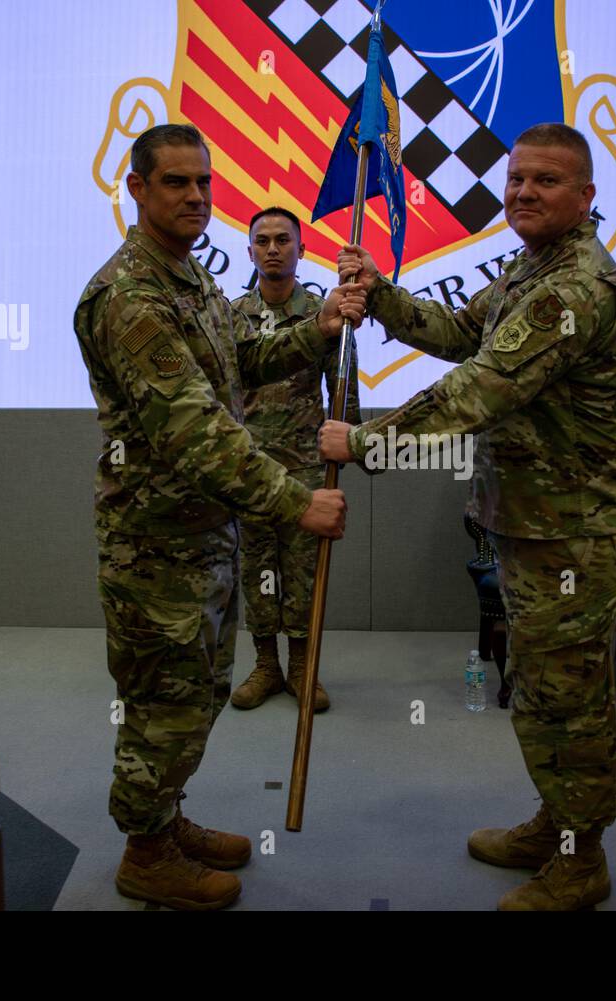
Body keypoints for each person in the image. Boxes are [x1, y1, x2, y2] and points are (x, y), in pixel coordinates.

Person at [320, 123, 616, 911]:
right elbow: (464, 333)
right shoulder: (531, 271)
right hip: (533, 525)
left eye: (545, 181)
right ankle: (555, 822)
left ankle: (582, 857)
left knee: (568, 698)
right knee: (540, 689)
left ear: (587, 196)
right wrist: (386, 295)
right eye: (516, 180)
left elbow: (476, 390)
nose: (524, 193)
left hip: (575, 533)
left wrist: (363, 440)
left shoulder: (575, 290)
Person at [73, 123, 364, 910]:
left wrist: (317, 330)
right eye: (176, 183)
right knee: (164, 700)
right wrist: (298, 500)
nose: (196, 196)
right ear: (136, 189)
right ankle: (144, 850)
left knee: (199, 690)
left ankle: (166, 819)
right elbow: (196, 432)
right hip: (156, 542)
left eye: (203, 182)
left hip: (204, 533)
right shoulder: (131, 297)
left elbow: (240, 365)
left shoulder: (191, 280)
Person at [229, 208, 364, 713]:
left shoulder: (323, 313)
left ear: (301, 250)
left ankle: (304, 668)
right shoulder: (234, 315)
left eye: (282, 239)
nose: (272, 248)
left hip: (306, 467)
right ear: (249, 253)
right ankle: (266, 665)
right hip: (249, 468)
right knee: (257, 571)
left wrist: (347, 441)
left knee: (304, 574)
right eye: (261, 240)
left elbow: (343, 382)